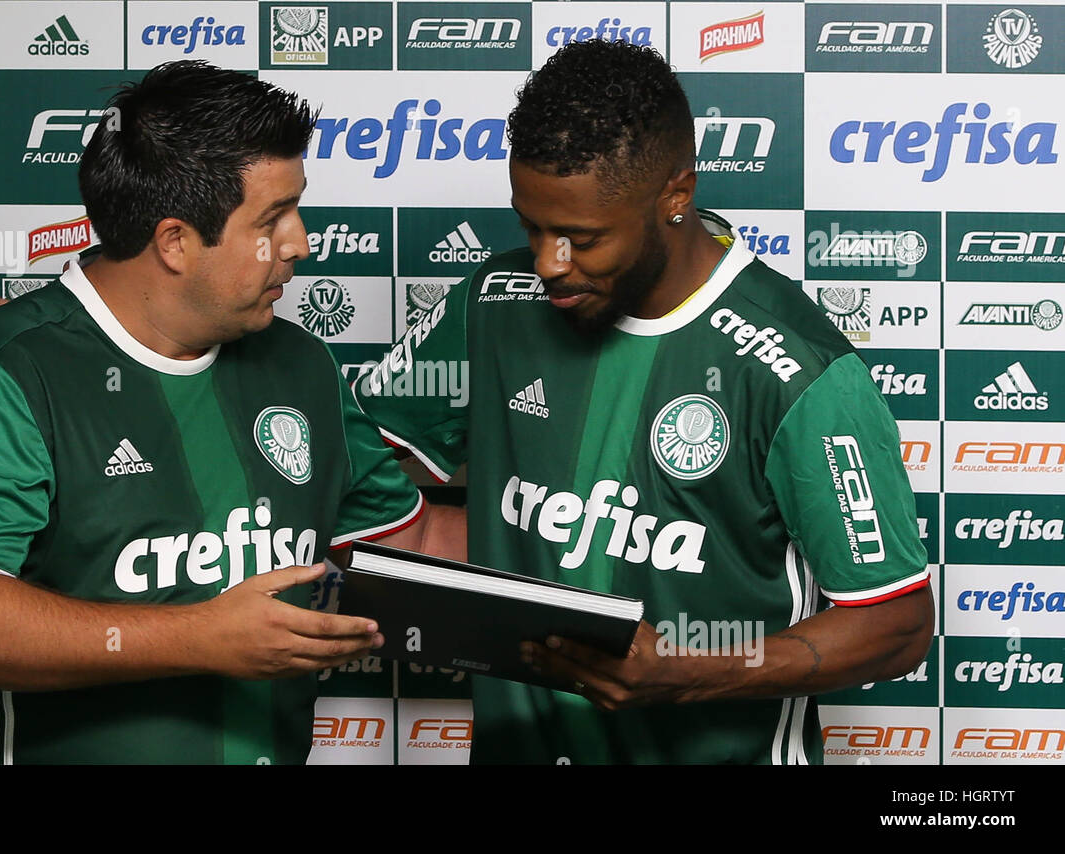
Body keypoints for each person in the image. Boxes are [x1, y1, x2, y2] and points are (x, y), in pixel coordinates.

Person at [354, 41, 933, 764]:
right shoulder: (494, 302)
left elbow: (898, 625)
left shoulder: (796, 367)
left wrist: (689, 675)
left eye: (581, 239)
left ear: (675, 196)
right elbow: (355, 466)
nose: (546, 264)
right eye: (531, 227)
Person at [0, 61, 460, 765]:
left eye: (296, 207)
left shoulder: (300, 364)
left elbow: (410, 543)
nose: (300, 243)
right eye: (271, 219)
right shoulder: (5, 370)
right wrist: (199, 639)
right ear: (174, 241)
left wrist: (609, 574)